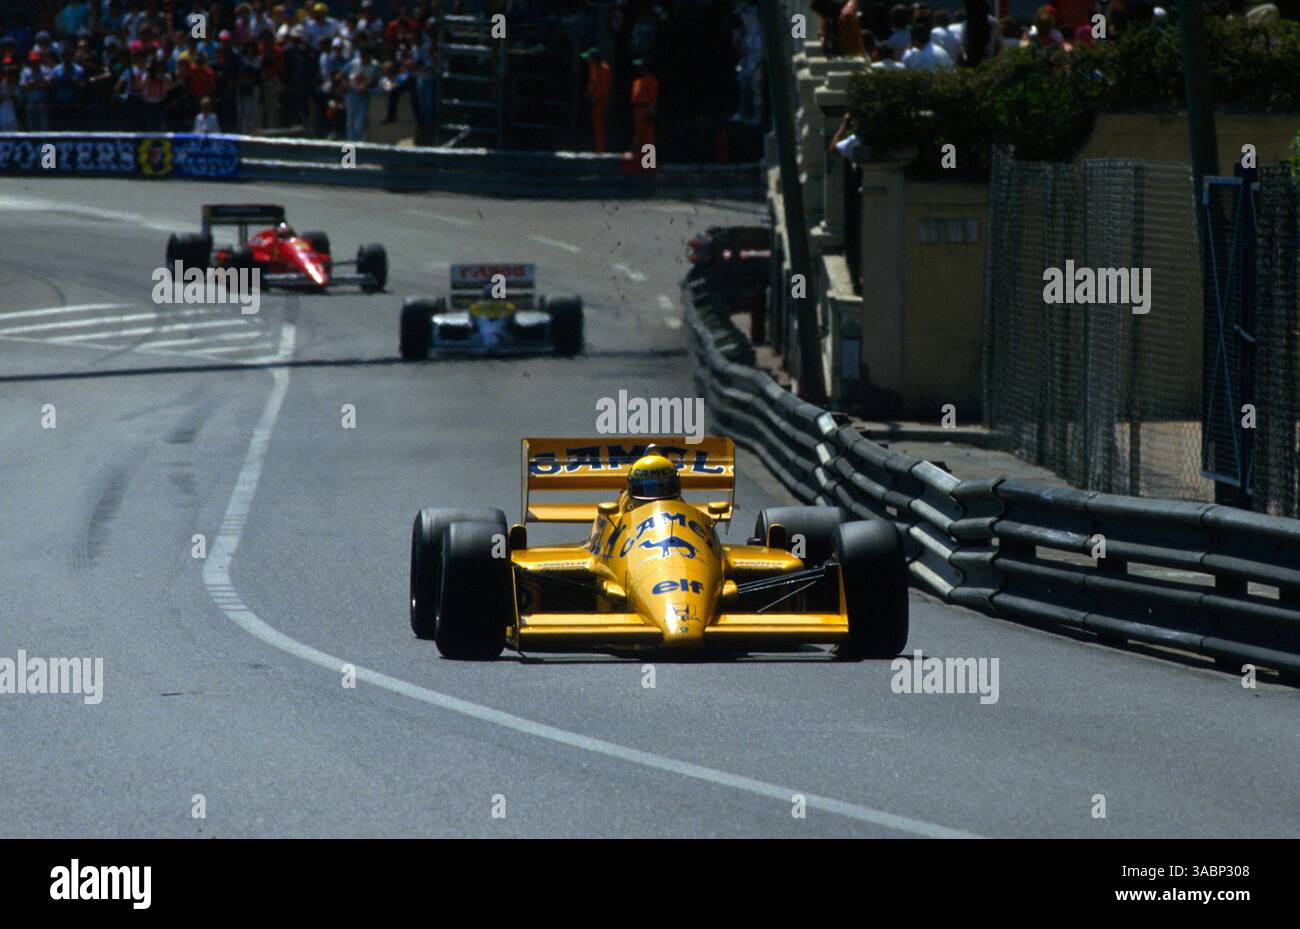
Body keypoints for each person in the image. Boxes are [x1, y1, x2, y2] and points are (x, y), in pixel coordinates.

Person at [581, 47, 611, 153]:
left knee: (599, 124)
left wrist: (595, 98)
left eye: (589, 58)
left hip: (600, 101)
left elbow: (605, 88)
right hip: (593, 100)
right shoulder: (593, 67)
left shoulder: (605, 69)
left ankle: (601, 149)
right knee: (594, 124)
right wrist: (588, 94)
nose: (587, 60)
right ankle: (597, 146)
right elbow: (591, 83)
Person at [629, 58, 657, 154]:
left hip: (645, 108)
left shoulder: (651, 79)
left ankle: (649, 160)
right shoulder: (637, 81)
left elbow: (653, 97)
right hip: (637, 109)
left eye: (639, 67)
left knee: (648, 134)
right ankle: (639, 157)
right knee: (639, 133)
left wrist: (651, 110)